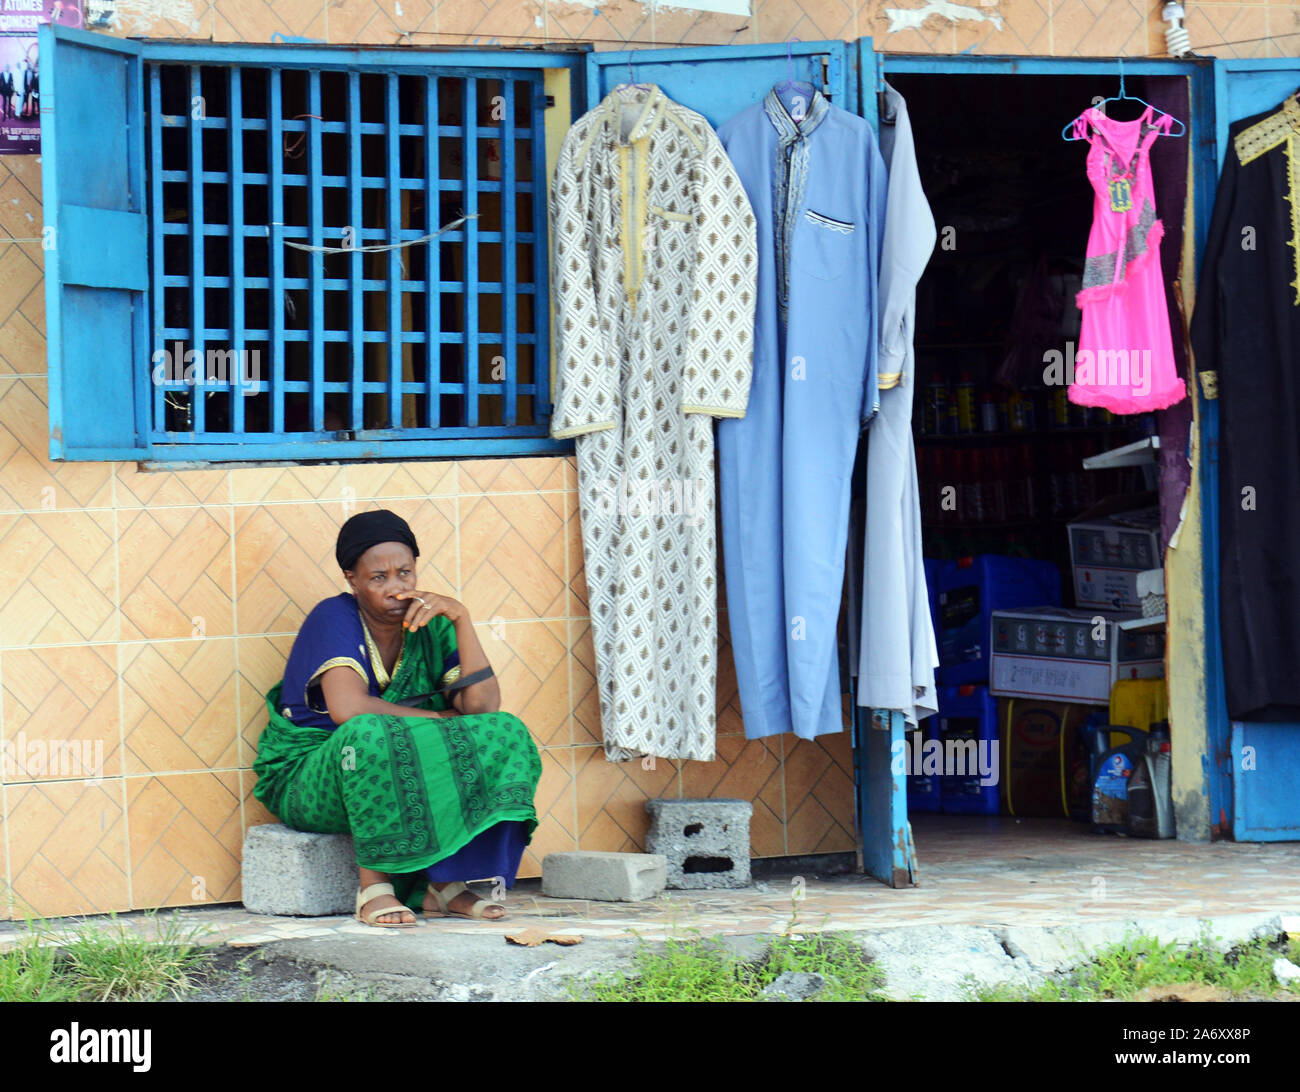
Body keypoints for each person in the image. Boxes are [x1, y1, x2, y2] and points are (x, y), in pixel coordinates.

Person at [253, 509, 542, 927]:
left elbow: (481, 709)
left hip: (403, 765)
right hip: (311, 777)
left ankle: (446, 886)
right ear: (352, 580)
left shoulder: (430, 621)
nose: (396, 588)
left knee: (505, 731)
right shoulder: (333, 616)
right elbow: (349, 709)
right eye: (379, 578)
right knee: (371, 732)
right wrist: (442, 720)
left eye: (405, 573)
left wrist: (460, 618)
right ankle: (374, 889)